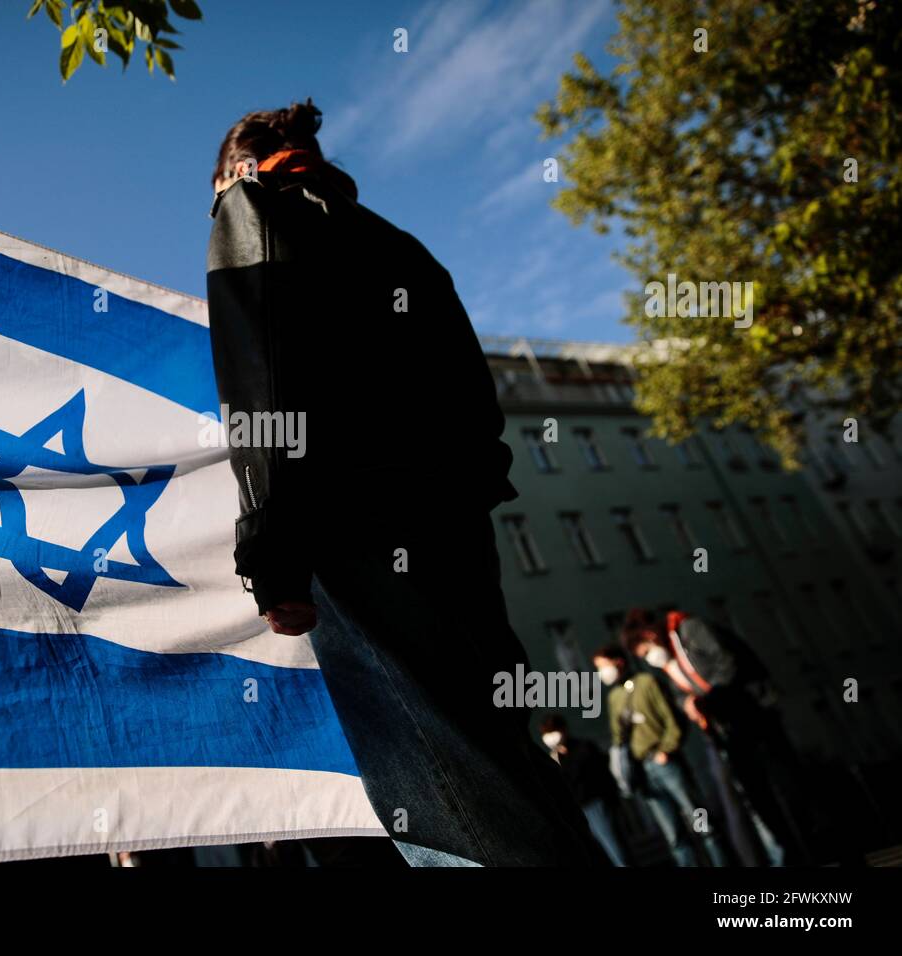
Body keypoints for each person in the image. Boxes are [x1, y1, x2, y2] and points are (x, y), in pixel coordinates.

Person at [205, 99, 603, 866]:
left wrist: (269, 541)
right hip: (453, 525)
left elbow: (265, 381)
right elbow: (472, 396)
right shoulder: (394, 241)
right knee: (502, 753)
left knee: (438, 783)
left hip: (349, 526)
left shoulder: (248, 209)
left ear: (235, 167)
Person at [621, 607, 810, 865]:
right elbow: (682, 692)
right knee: (756, 796)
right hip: (726, 727)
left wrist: (704, 702)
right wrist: (689, 703)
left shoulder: (689, 630)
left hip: (754, 713)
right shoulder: (671, 660)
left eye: (645, 651)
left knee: (787, 784)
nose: (649, 659)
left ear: (650, 635)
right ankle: (788, 855)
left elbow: (727, 665)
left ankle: (815, 841)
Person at [593, 644, 727, 867]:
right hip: (643, 771)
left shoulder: (647, 682)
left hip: (667, 764)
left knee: (701, 820)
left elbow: (673, 720)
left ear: (618, 662)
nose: (601, 673)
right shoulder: (614, 697)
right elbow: (619, 739)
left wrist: (666, 749)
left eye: (602, 666)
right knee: (674, 835)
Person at [540, 714, 629, 866]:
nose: (551, 737)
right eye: (547, 734)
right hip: (576, 814)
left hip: (594, 806)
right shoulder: (552, 758)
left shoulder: (583, 748)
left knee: (616, 851)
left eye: (553, 731)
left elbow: (598, 777)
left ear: (564, 730)